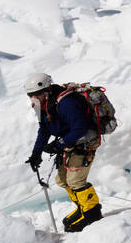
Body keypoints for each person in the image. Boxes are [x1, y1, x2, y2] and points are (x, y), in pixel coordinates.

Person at [25, 72, 104, 232]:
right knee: (62, 180)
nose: (33, 98)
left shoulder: (66, 103)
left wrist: (59, 144)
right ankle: (83, 208)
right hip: (69, 142)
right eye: (30, 95)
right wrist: (36, 152)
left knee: (76, 181)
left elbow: (80, 127)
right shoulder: (43, 105)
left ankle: (92, 213)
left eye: (36, 95)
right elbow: (44, 129)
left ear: (46, 91)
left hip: (84, 141)